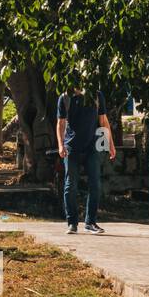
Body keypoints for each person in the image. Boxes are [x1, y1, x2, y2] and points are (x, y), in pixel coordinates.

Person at [56, 85, 115, 234]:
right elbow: (61, 123)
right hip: (71, 147)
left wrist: (110, 145)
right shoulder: (65, 97)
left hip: (92, 146)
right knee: (70, 185)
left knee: (95, 184)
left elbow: (103, 121)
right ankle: (72, 223)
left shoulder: (96, 95)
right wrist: (60, 145)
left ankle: (90, 222)